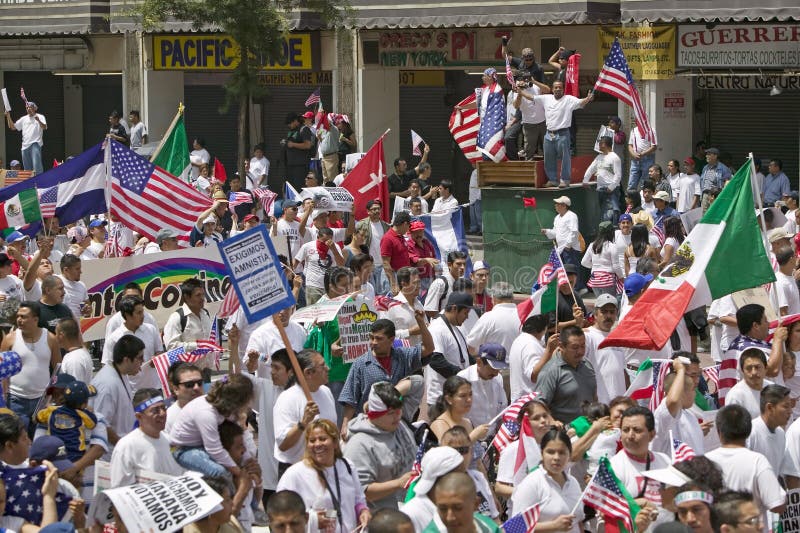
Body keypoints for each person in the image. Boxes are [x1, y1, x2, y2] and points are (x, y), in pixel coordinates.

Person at [339, 317, 432, 435]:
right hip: (370, 427)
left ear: (391, 340)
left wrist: (421, 324)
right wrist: (345, 425)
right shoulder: (361, 364)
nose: (373, 342)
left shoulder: (403, 356)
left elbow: (428, 348)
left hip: (397, 425)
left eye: (378, 339)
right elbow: (350, 398)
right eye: (371, 338)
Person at [276, 419, 371, 533]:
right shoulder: (294, 474)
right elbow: (280, 512)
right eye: (312, 440)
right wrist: (313, 520)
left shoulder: (347, 466)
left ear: (335, 442)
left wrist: (363, 511)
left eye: (322, 439)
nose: (317, 444)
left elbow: (358, 499)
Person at [343, 382, 416, 510]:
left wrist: (390, 394)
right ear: (375, 414)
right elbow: (361, 491)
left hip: (411, 508)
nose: (397, 416)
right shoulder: (359, 445)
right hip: (384, 518)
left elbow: (418, 383)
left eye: (399, 410)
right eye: (391, 413)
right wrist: (398, 483)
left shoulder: (397, 424)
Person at [706, 405, 787, 519]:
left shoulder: (705, 462)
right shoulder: (758, 461)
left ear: (719, 432)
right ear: (748, 431)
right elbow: (777, 505)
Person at [170, 374, 254, 479]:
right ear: (238, 401)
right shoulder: (206, 413)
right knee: (221, 473)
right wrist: (239, 473)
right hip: (183, 450)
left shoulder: (226, 409)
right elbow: (215, 450)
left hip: (203, 443)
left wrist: (248, 460)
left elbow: (239, 439)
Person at [273, 349, 337, 474]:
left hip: (325, 467)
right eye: (322, 366)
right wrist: (304, 422)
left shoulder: (326, 392)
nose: (327, 368)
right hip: (296, 470)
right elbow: (283, 445)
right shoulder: (287, 399)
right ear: (308, 373)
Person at [510, 429, 583, 532]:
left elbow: (578, 522)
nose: (556, 457)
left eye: (562, 452)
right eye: (550, 452)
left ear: (569, 455)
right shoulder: (531, 483)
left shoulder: (573, 483)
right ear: (542, 453)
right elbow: (514, 528)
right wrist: (553, 526)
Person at [610, 406, 670, 531]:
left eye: (637, 430)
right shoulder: (613, 467)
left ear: (652, 434)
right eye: (625, 430)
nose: (630, 435)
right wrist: (639, 505)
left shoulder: (665, 461)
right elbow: (609, 511)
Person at [2, 302, 60, 430]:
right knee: (18, 441)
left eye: (23, 317)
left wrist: (50, 397)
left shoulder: (50, 339)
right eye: (18, 316)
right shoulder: (10, 339)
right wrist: (4, 398)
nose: (19, 320)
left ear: (35, 319)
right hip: (15, 401)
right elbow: (2, 372)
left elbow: (57, 370)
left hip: (42, 401)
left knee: (38, 440)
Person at [108, 387, 183, 487]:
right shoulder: (126, 446)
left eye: (163, 408)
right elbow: (119, 489)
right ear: (139, 416)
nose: (162, 413)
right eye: (155, 410)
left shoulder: (170, 441)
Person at [90, 334, 144, 457]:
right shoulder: (107, 384)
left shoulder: (121, 374)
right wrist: (121, 445)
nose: (143, 361)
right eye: (140, 358)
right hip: (111, 455)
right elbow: (101, 424)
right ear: (126, 360)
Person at [535, 82, 594, 187]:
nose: (558, 89)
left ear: (563, 89)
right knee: (548, 158)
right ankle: (552, 180)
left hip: (563, 133)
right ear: (552, 89)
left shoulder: (569, 99)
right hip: (549, 134)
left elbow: (581, 103)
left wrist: (588, 99)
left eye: (560, 87)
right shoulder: (546, 98)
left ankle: (565, 180)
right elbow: (531, 97)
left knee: (565, 158)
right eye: (556, 87)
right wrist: (521, 92)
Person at [534, 325, 596, 424]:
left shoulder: (588, 365)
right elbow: (539, 405)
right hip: (565, 434)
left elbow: (594, 397)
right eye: (575, 347)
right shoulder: (551, 371)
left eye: (583, 346)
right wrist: (552, 422)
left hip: (588, 431)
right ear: (561, 346)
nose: (580, 351)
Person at [426, 293, 473, 411]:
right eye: (465, 313)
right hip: (441, 399)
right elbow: (434, 360)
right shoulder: (437, 328)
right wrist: (461, 376)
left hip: (455, 396)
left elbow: (465, 356)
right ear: (454, 309)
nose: (467, 317)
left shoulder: (455, 327)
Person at [652, 357, 705, 456]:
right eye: (693, 390)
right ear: (681, 392)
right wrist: (680, 370)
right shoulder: (663, 412)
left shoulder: (690, 415)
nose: (695, 394)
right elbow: (673, 401)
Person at [583, 294, 626, 403]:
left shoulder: (617, 339)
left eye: (612, 312)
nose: (608, 316)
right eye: (604, 311)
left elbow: (622, 371)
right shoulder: (587, 336)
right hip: (599, 404)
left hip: (618, 404)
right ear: (595, 314)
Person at [425, 471, 500, 533]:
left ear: (475, 504)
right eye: (443, 509)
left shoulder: (489, 528)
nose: (450, 517)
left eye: (458, 508)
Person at [429, 376, 489, 451]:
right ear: (449, 399)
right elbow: (449, 456)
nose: (469, 399)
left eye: (470, 394)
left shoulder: (467, 422)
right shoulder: (439, 425)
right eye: (463, 396)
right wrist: (473, 437)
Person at [457, 344, 509, 427]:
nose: (496, 373)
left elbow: (501, 408)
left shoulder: (498, 378)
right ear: (479, 362)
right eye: (492, 368)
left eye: (499, 369)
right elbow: (457, 414)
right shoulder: (463, 378)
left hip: (492, 435)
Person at [465, 282, 521, 354]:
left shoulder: (487, 318)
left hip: (492, 364)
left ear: (493, 299)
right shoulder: (522, 317)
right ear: (512, 298)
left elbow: (470, 346)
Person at [294, 226, 344, 305]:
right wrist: (290, 273)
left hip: (330, 287)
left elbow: (341, 264)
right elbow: (296, 261)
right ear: (318, 237)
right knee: (313, 312)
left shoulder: (335, 247)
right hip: (313, 286)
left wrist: (334, 250)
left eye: (329, 240)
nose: (326, 243)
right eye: (324, 241)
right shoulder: (307, 246)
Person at [163, 277, 213, 351]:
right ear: (187, 297)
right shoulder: (177, 318)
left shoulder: (205, 314)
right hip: (188, 362)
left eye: (203, 294)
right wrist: (198, 346)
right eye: (198, 295)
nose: (202, 298)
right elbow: (171, 347)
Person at [508, 314, 550, 401]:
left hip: (521, 400)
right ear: (543, 329)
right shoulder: (531, 344)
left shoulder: (520, 340)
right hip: (530, 403)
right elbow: (534, 376)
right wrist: (549, 352)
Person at [584, 136, 623, 223]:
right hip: (600, 189)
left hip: (611, 190)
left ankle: (613, 230)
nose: (599, 146)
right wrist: (585, 180)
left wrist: (611, 187)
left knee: (611, 212)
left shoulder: (614, 157)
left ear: (605, 144)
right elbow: (591, 169)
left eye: (600, 143)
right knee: (603, 212)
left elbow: (618, 174)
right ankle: (606, 231)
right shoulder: (599, 157)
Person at [356, 199, 391, 294]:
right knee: (369, 292)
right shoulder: (361, 225)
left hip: (383, 265)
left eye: (378, 209)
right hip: (368, 266)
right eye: (374, 209)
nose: (376, 211)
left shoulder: (386, 226)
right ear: (368, 211)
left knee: (384, 292)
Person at [581, 221, 622, 298]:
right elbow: (616, 266)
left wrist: (595, 267)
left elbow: (584, 262)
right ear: (611, 232)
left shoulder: (592, 245)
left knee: (600, 303)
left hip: (595, 280)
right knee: (610, 303)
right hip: (608, 280)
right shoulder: (612, 246)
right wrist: (622, 278)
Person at [5, 101, 47, 175]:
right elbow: (12, 127)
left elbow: (44, 127)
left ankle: (40, 183)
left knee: (37, 166)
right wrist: (8, 116)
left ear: (35, 108)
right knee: (27, 170)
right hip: (24, 146)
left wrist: (38, 120)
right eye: (27, 107)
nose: (28, 108)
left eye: (30, 107)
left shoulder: (40, 116)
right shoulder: (23, 119)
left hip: (35, 144)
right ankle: (30, 185)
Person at [541, 196, 581, 270]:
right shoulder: (557, 218)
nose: (555, 206)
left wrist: (568, 246)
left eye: (557, 204)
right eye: (556, 204)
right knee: (564, 272)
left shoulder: (572, 216)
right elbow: (555, 232)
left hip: (570, 250)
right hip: (561, 249)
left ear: (564, 206)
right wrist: (547, 231)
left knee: (572, 272)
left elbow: (574, 231)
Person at [424, 251, 467, 318]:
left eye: (464, 264)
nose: (462, 267)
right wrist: (445, 322)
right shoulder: (440, 283)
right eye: (458, 264)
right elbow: (429, 310)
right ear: (449, 265)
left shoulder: (463, 284)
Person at [165, 362, 204, 434]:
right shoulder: (168, 419)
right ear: (176, 389)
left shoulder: (213, 407)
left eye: (199, 383)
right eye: (189, 385)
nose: (196, 387)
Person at [381, 212, 412, 294]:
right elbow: (385, 263)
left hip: (402, 277)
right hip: (393, 278)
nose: (408, 229)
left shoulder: (401, 237)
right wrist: (393, 284)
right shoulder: (388, 238)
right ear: (405, 224)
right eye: (409, 226)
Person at [53, 318, 92, 385]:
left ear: (61, 335)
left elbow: (76, 389)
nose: (55, 337)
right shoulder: (78, 354)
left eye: (56, 333)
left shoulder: (74, 360)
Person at [283, 113, 314, 191]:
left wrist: (293, 144)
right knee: (291, 188)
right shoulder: (291, 131)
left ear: (295, 121)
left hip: (300, 166)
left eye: (290, 123)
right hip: (290, 165)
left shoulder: (304, 129)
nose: (289, 126)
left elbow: (308, 145)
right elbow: (289, 143)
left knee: (299, 187)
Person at [407, 221, 438, 293]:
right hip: (417, 280)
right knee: (420, 301)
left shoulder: (427, 243)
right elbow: (416, 262)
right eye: (416, 232)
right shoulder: (409, 245)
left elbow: (434, 259)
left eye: (420, 231)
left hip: (431, 277)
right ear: (411, 233)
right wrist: (427, 260)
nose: (418, 234)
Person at [700, 148, 732, 212]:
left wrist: (720, 192)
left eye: (709, 154)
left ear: (715, 156)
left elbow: (728, 183)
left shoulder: (723, 168)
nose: (706, 156)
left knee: (714, 214)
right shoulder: (705, 168)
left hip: (715, 196)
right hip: (705, 195)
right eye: (706, 154)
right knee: (704, 217)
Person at [627, 123, 658, 191]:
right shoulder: (634, 130)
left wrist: (643, 154)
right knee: (632, 182)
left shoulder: (651, 130)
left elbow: (654, 146)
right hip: (635, 159)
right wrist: (633, 154)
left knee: (645, 183)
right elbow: (630, 145)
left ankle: (644, 200)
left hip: (647, 158)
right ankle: (631, 199)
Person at [57, 254, 88, 321]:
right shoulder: (54, 281)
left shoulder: (82, 286)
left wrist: (87, 310)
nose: (80, 272)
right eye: (77, 269)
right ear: (66, 270)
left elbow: (88, 308)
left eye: (80, 268)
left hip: (76, 328)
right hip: (58, 328)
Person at [775, 247, 800, 316]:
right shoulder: (781, 283)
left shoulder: (789, 277)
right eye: (795, 256)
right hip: (793, 326)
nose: (797, 259)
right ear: (791, 260)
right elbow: (783, 313)